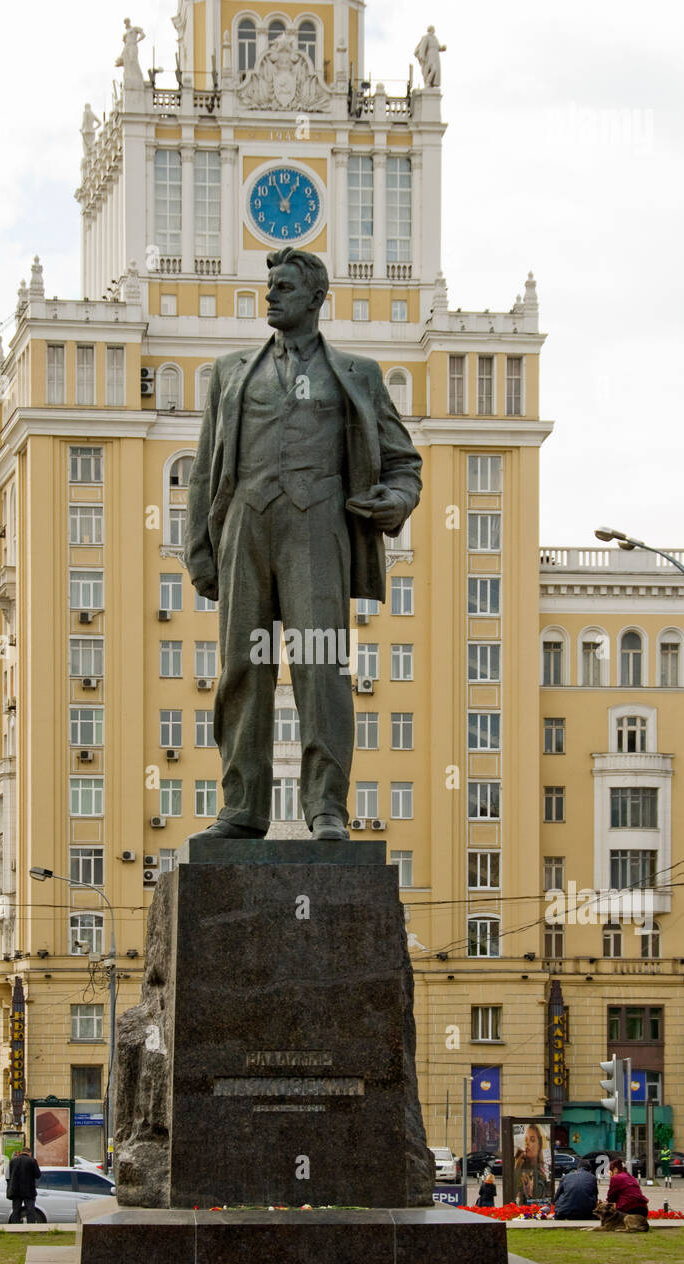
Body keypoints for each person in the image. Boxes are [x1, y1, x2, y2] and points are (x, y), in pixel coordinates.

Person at [185, 249, 422, 840]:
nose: (270, 296)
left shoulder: (357, 374)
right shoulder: (231, 372)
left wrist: (397, 499)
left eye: (284, 287)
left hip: (318, 528)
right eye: (269, 286)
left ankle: (326, 809)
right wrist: (200, 550)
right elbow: (202, 471)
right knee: (245, 665)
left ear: (316, 298)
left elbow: (402, 461)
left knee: (320, 667)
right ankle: (243, 809)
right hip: (245, 526)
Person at [513, 1123, 550, 1203]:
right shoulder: (521, 1164)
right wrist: (517, 1167)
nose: (527, 1143)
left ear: (540, 1145)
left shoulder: (542, 1172)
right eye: (526, 1140)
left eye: (532, 1140)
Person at [7, 1146, 42, 1224]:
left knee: (16, 1210)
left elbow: (8, 1175)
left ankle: (15, 1227)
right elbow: (38, 1175)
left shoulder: (13, 1161)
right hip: (29, 1190)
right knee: (30, 1210)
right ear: (29, 1153)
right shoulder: (32, 1161)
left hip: (15, 1190)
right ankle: (30, 1227)